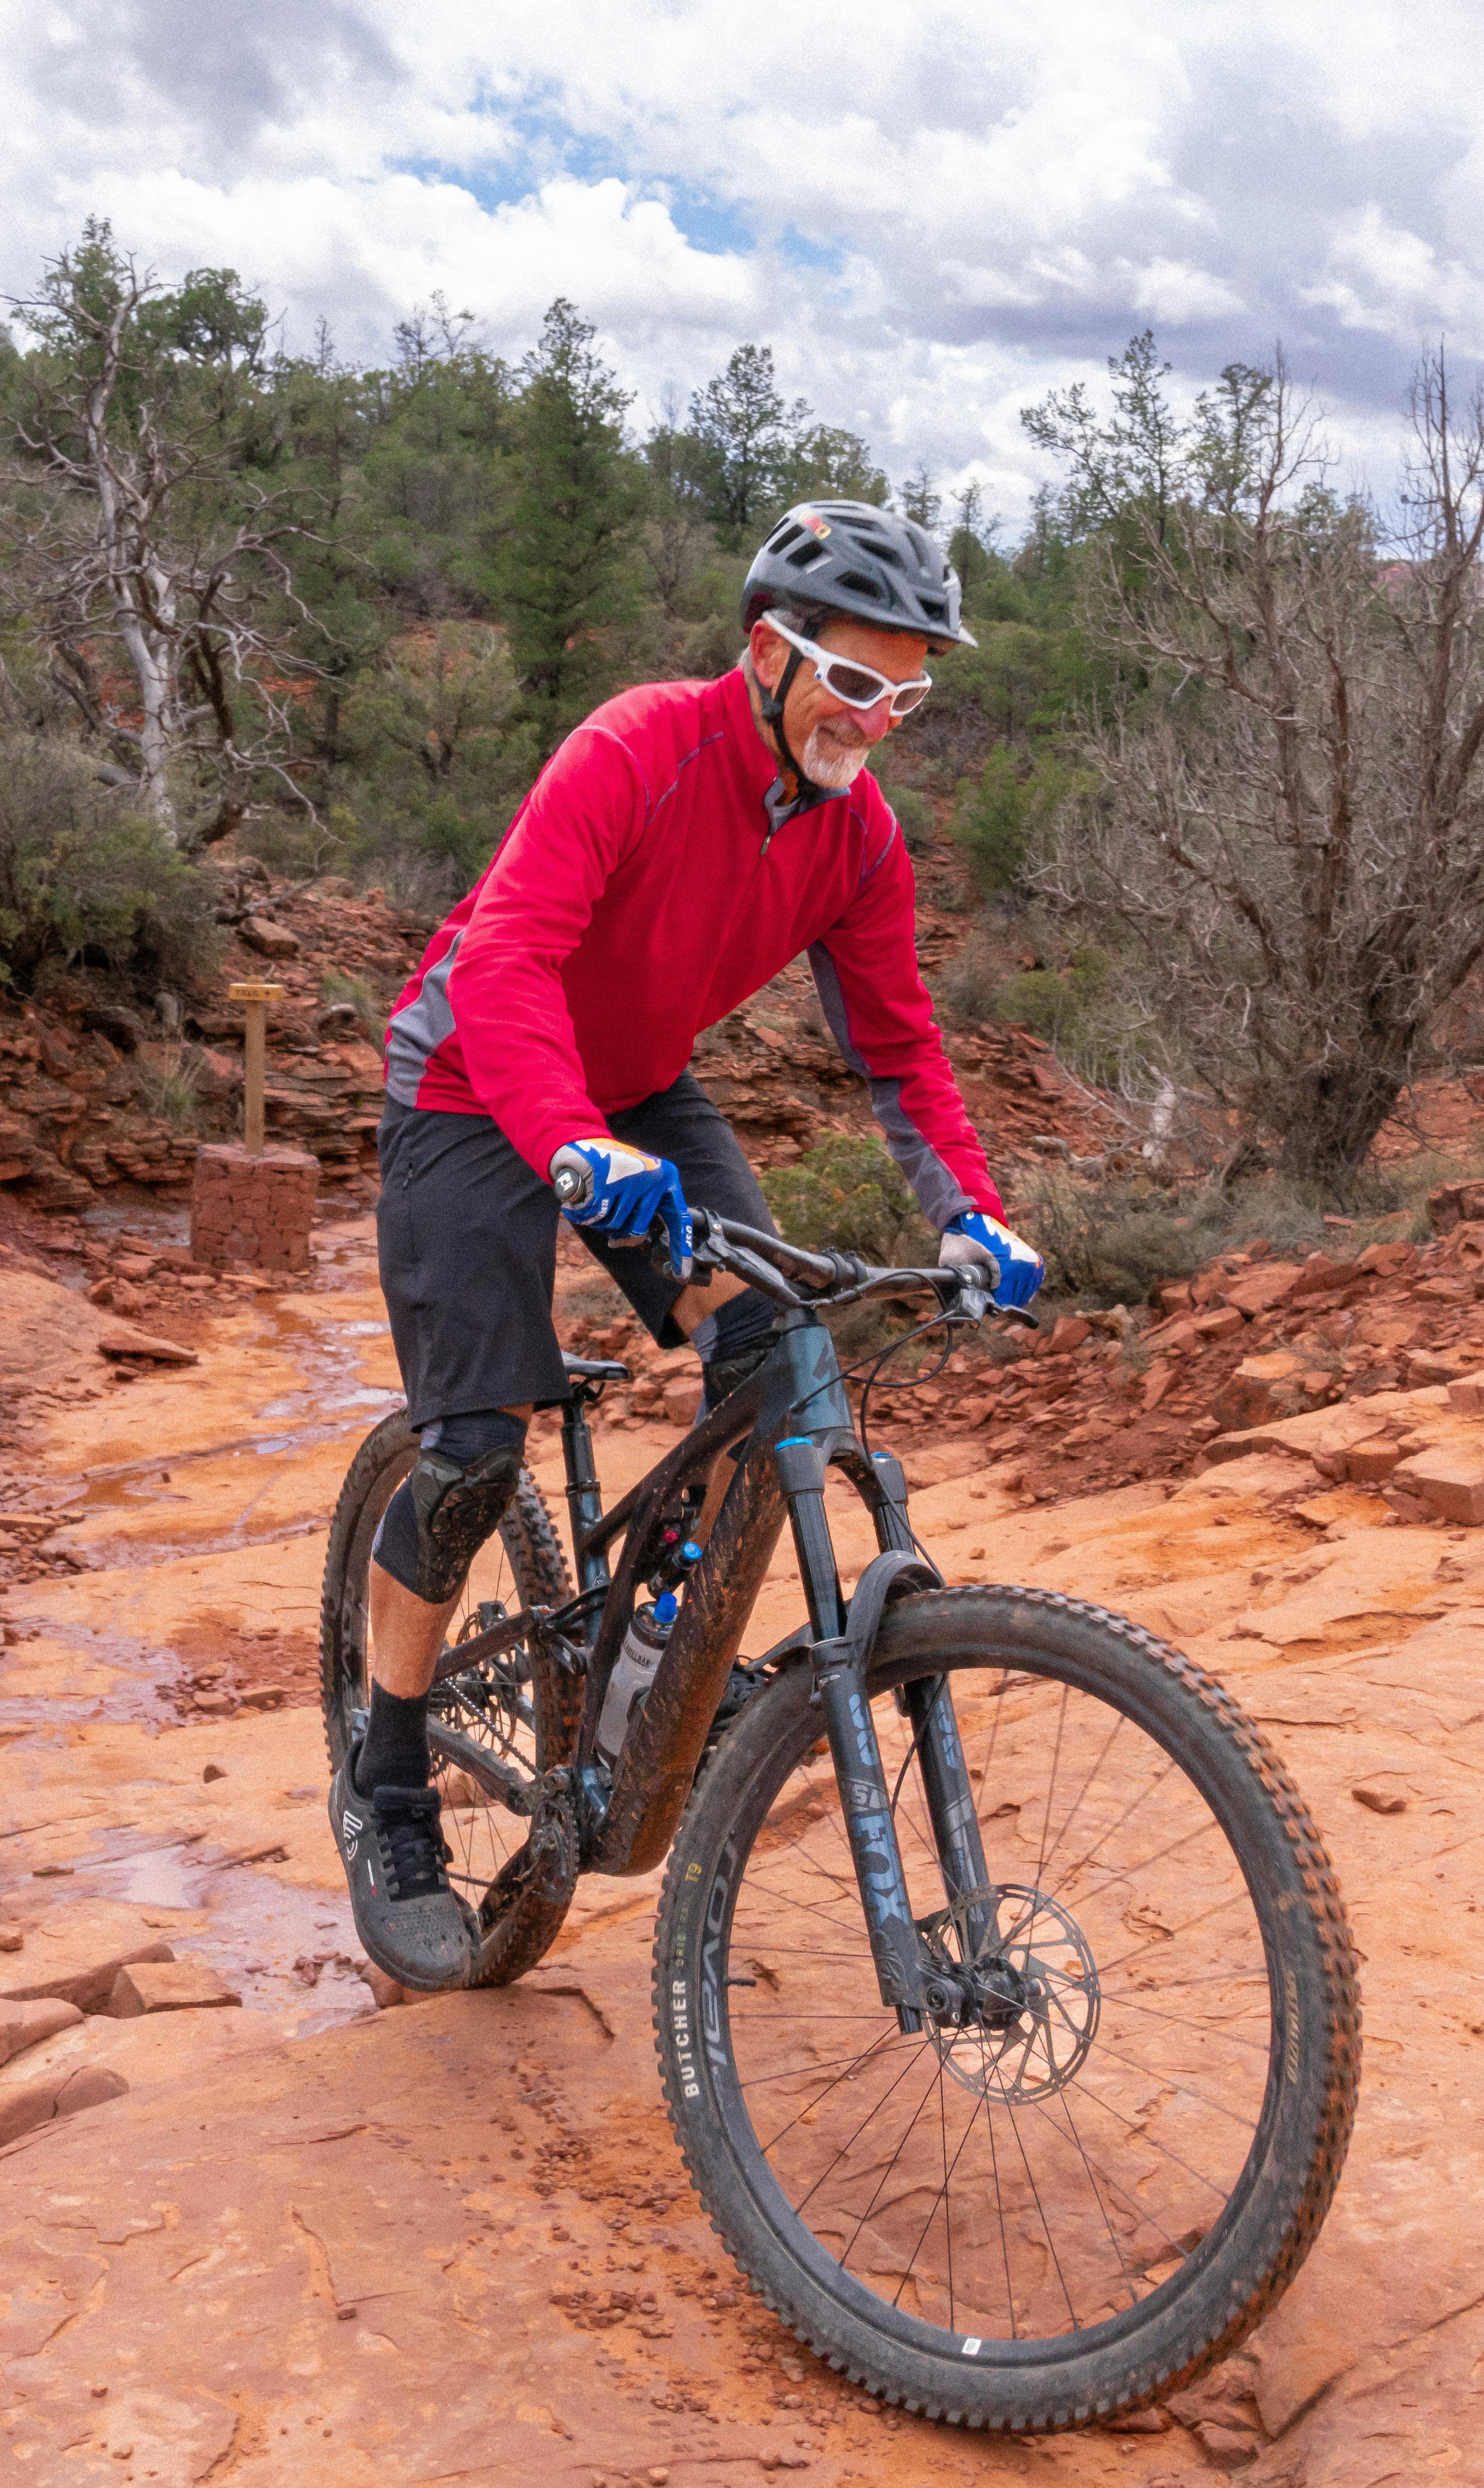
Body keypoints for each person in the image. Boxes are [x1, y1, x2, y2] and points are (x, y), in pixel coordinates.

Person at [330, 498, 1044, 1990]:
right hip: (473, 1075)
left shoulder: (858, 838)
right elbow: (510, 957)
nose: (881, 720)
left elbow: (902, 1048)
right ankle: (387, 1786)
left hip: (640, 1083)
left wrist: (971, 1209)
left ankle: (664, 1647)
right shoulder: (637, 748)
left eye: (910, 694)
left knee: (780, 1349)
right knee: (471, 1449)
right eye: (857, 682)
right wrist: (575, 1148)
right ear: (767, 652)